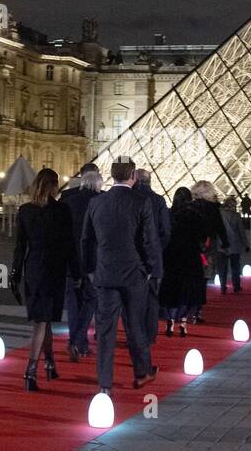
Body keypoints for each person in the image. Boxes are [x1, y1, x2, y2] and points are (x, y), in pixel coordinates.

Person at [81, 156, 161, 393]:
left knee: (105, 331)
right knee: (135, 324)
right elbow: (150, 241)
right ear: (133, 175)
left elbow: (86, 240)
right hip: (134, 275)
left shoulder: (97, 203)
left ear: (112, 175)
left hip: (105, 275)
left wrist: (89, 270)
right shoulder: (141, 201)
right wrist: (152, 270)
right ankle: (143, 373)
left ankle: (104, 383)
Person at [11, 168, 80, 391]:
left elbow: (20, 247)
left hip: (33, 269)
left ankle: (50, 363)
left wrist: (15, 274)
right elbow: (70, 246)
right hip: (54, 270)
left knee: (44, 318)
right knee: (42, 320)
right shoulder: (62, 211)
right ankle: (30, 372)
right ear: (52, 186)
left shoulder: (26, 211)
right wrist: (77, 273)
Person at [58, 163, 102, 361]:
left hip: (70, 258)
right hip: (94, 259)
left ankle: (77, 342)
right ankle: (77, 340)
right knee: (91, 299)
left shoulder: (67, 198)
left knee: (73, 301)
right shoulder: (103, 200)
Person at [159, 187, 208, 336]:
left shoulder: (168, 213)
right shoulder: (196, 215)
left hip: (171, 257)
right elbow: (202, 237)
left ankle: (171, 321)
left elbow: (163, 234)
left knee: (171, 290)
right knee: (188, 292)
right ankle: (184, 322)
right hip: (190, 257)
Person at [134, 168, 171, 349]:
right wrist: (156, 250)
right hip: (154, 260)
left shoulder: (129, 199)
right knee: (152, 299)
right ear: (150, 181)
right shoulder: (158, 200)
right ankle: (150, 336)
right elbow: (166, 232)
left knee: (133, 301)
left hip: (132, 260)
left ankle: (137, 335)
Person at [189, 180, 228, 322]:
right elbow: (220, 227)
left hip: (191, 247)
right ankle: (197, 311)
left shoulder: (189, 206)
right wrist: (226, 243)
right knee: (203, 279)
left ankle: (189, 307)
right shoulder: (213, 208)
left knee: (192, 278)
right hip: (208, 247)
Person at [219, 196, 247, 293]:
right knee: (235, 267)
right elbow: (241, 231)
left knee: (222, 268)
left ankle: (223, 287)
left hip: (221, 245)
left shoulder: (219, 214)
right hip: (235, 245)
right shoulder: (236, 216)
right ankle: (236, 286)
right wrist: (245, 244)